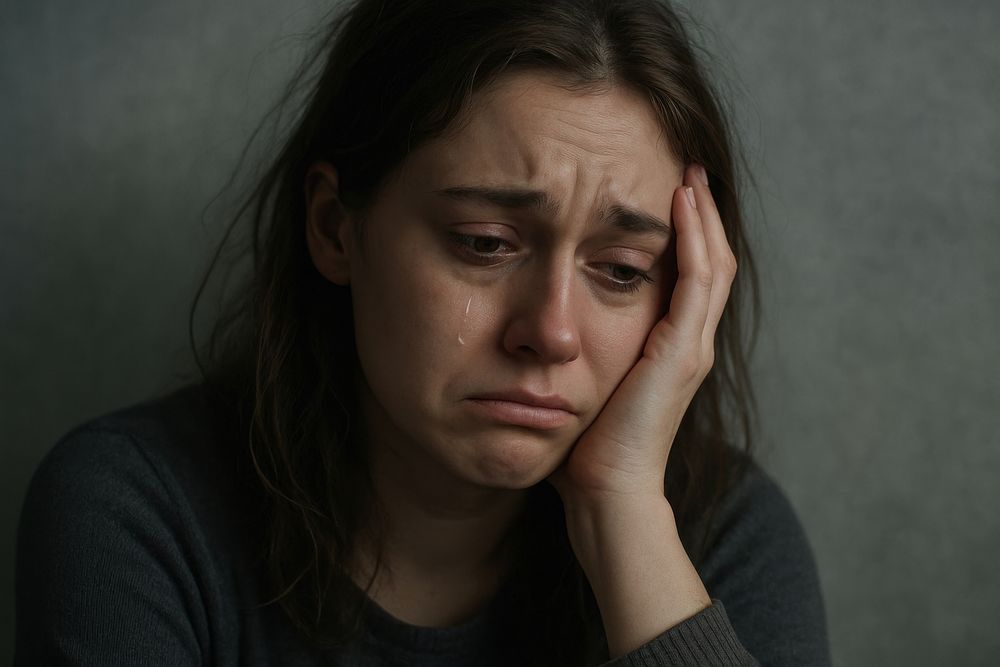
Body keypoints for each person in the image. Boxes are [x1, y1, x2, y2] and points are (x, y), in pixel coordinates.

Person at [15, 0, 831, 664]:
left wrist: (622, 512)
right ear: (337, 228)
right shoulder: (138, 514)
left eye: (621, 269)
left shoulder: (722, 537)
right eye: (485, 244)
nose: (550, 332)